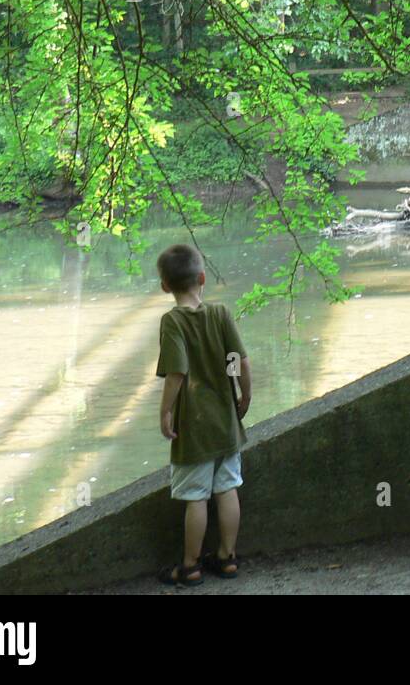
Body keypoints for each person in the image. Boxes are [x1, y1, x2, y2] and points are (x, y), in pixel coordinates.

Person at [153, 244, 252, 586]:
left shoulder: (173, 321)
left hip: (192, 427)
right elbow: (238, 360)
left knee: (195, 496)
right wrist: (245, 393)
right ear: (202, 278)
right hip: (225, 420)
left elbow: (177, 373)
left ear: (165, 286)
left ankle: (190, 565)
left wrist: (166, 411)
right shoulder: (220, 314)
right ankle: (227, 557)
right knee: (226, 488)